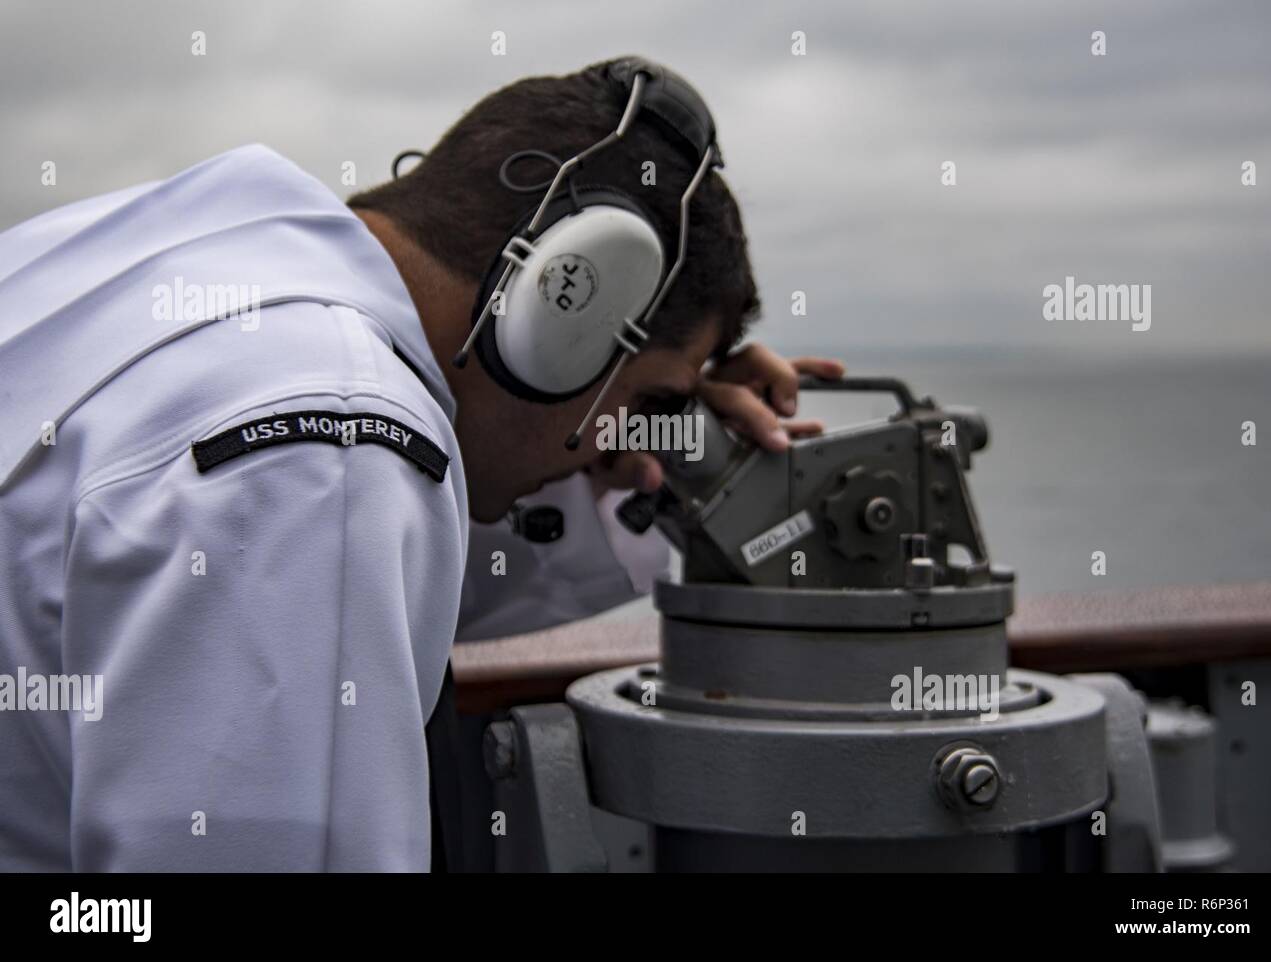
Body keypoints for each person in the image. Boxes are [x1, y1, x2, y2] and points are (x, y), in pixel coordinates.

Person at [0, 57, 842, 871]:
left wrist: (662, 455)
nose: (626, 442)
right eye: (652, 401)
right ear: (561, 318)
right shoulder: (331, 443)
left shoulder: (161, 271)